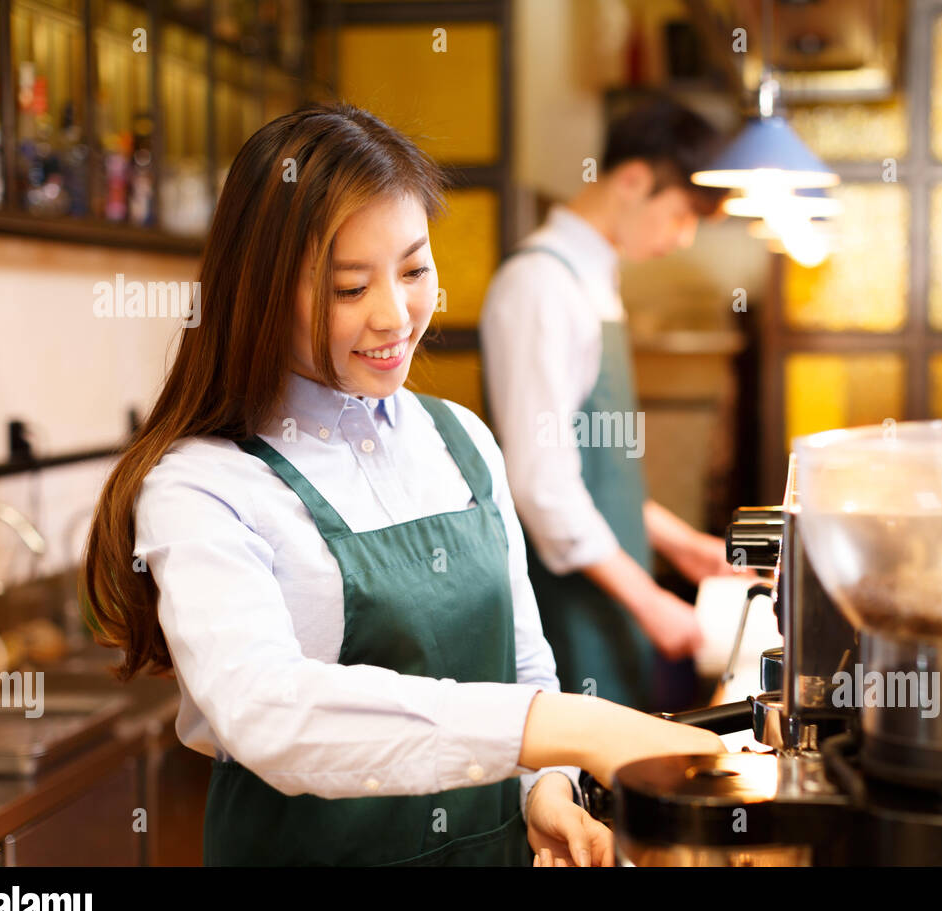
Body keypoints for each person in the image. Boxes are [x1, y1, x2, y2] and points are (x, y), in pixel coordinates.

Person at [82, 103, 723, 867]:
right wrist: (572, 728)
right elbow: (270, 713)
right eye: (350, 288)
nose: (395, 315)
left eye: (415, 270)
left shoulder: (461, 439)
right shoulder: (204, 486)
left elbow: (522, 663)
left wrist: (544, 786)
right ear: (257, 291)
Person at [479, 98, 735, 712]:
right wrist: (649, 600)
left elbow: (599, 467)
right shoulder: (540, 285)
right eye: (681, 215)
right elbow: (543, 487)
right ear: (631, 180)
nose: (683, 238)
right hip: (569, 602)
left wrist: (679, 544)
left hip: (612, 587)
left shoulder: (597, 279)